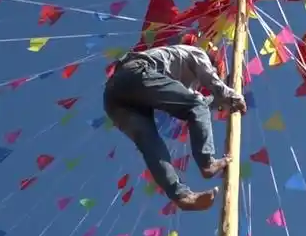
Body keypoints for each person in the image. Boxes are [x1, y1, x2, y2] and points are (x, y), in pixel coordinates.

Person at [103, 43, 247, 212]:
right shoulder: (197, 54)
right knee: (195, 107)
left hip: (113, 97)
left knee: (150, 143)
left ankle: (181, 196)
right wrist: (232, 97)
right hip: (136, 72)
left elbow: (197, 101)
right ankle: (206, 162)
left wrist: (224, 100)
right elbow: (206, 83)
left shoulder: (180, 78)